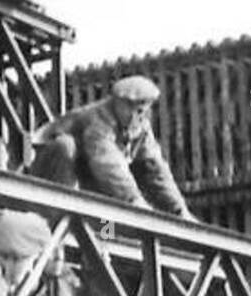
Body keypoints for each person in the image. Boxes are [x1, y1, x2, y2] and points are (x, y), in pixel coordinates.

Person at [29, 75, 194, 218]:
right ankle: (57, 225)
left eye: (141, 111)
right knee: (66, 146)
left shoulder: (140, 128)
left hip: (87, 176)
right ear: (118, 102)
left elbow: (156, 170)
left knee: (107, 207)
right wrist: (133, 200)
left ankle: (104, 241)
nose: (134, 116)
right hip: (52, 174)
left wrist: (179, 210)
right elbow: (108, 164)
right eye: (130, 108)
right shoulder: (98, 119)